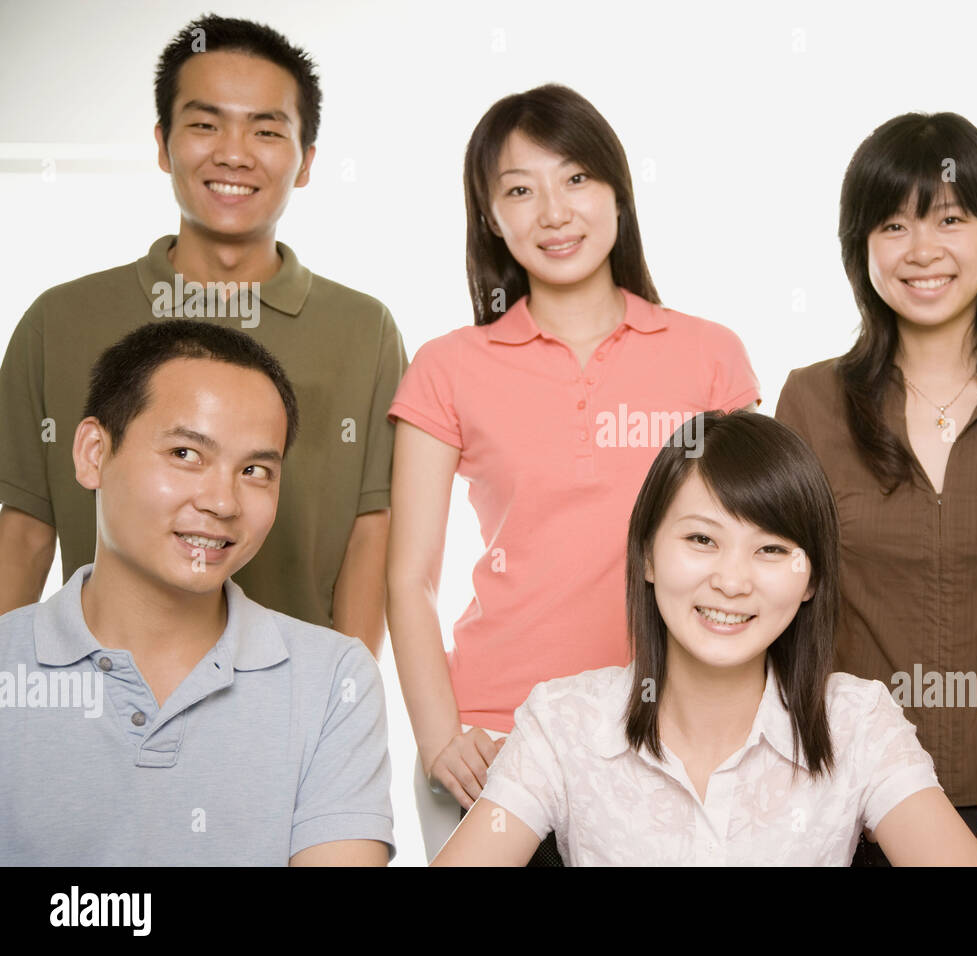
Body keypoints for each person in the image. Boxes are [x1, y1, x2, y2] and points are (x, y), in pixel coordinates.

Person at [387, 85, 760, 861]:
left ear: (619, 193)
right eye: (519, 190)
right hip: (500, 735)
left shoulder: (710, 354)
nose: (552, 212)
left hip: (673, 725)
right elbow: (411, 578)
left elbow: (757, 546)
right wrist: (438, 737)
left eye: (576, 179)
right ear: (491, 217)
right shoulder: (446, 366)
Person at [0, 14, 406, 655]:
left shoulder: (364, 329)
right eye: (205, 123)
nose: (234, 153)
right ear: (162, 143)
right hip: (96, 698)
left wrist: (345, 693)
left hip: (285, 704)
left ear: (305, 162)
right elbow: (23, 530)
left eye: (267, 130)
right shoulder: (60, 318)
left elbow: (371, 531)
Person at [432, 411, 977, 865]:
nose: (730, 581)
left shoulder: (857, 723)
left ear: (812, 578)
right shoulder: (561, 723)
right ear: (648, 554)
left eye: (771, 549)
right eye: (702, 538)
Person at [773, 112, 977, 861]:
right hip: (840, 791)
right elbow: (773, 592)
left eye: (949, 219)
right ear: (861, 250)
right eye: (891, 225)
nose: (921, 250)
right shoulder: (810, 401)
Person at [0, 321, 394, 865]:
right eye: (186, 454)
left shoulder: (334, 681)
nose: (222, 502)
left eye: (255, 470)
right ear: (94, 452)